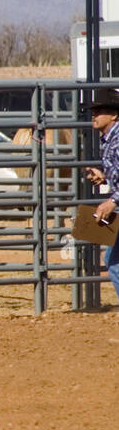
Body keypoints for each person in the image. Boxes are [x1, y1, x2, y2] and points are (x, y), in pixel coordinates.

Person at [81, 86, 119, 300]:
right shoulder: (111, 140)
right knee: (113, 262)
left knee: (113, 263)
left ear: (114, 114)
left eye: (99, 110)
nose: (94, 115)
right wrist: (105, 177)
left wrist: (112, 201)